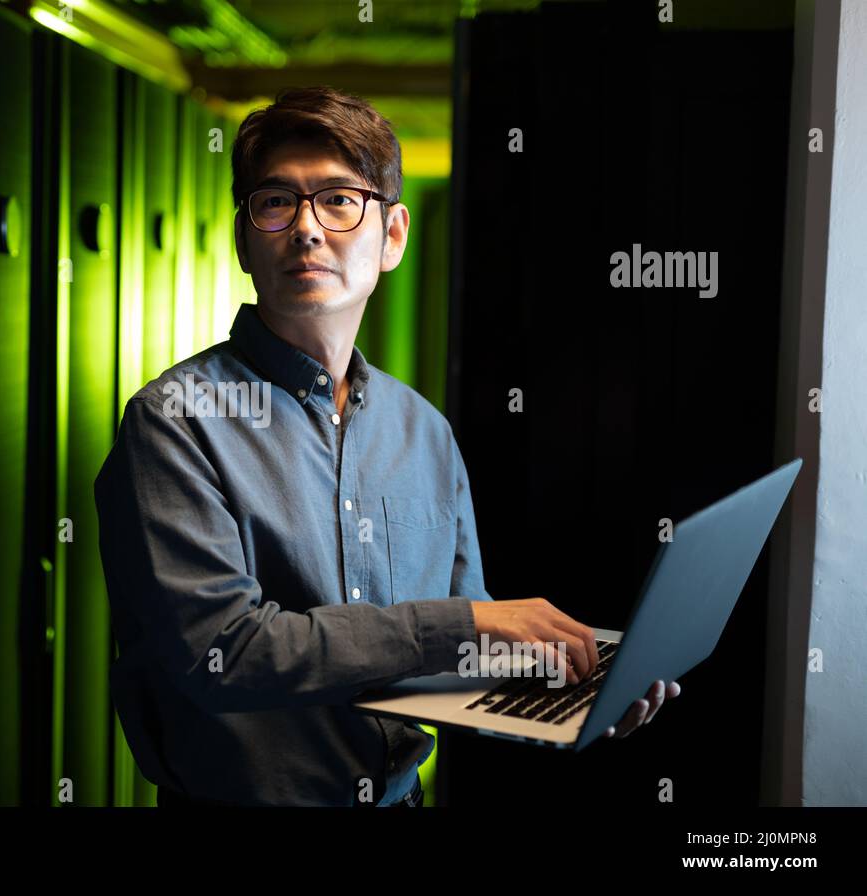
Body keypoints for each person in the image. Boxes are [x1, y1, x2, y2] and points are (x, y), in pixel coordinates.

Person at [93, 86, 679, 808]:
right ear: (246, 238)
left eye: (339, 200)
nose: (307, 228)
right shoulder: (174, 423)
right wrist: (461, 623)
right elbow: (225, 652)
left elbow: (456, 655)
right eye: (277, 202)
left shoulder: (423, 431)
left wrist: (574, 693)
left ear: (393, 235)